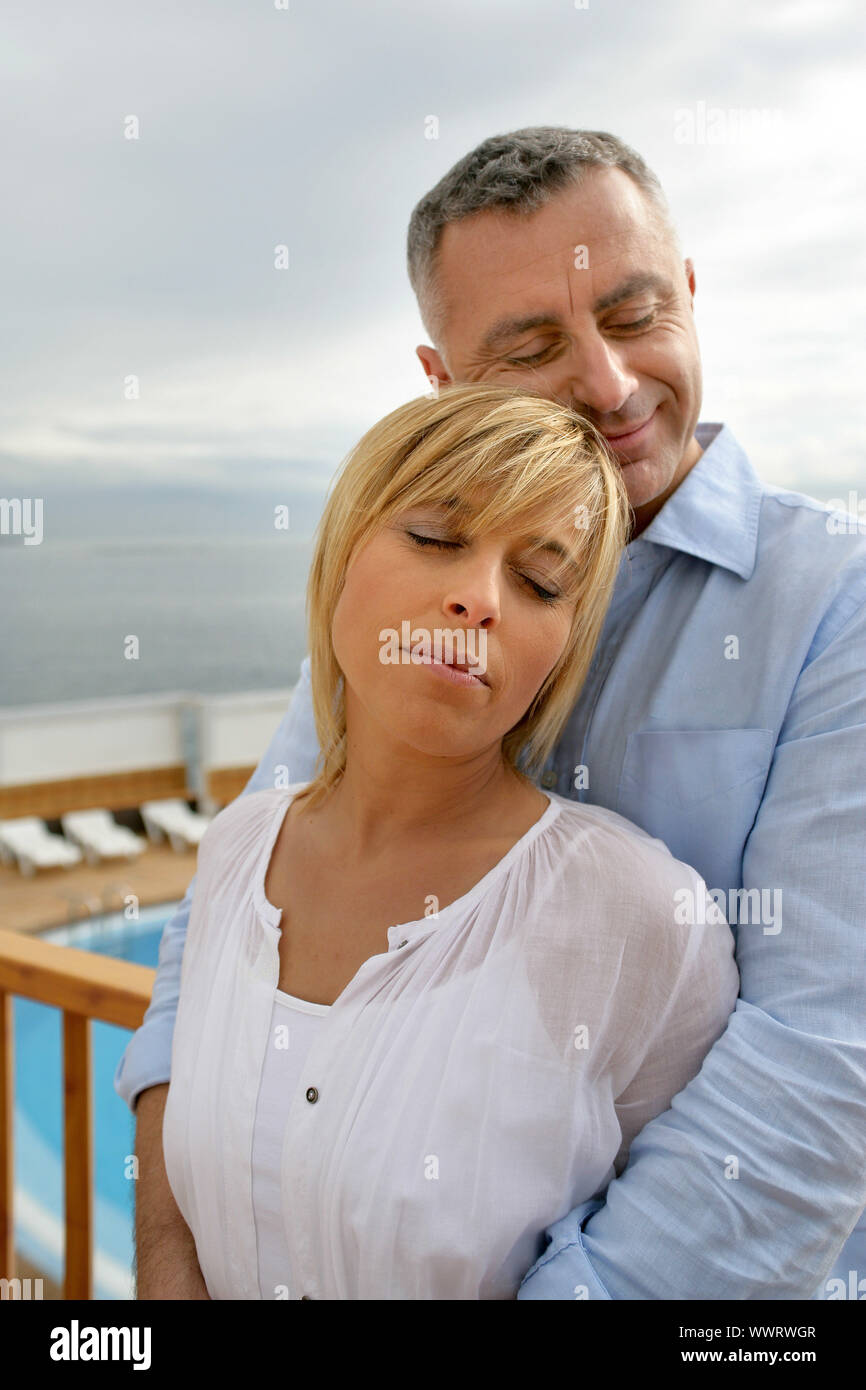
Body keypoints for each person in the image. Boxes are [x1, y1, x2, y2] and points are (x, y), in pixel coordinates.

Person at [119, 128, 866, 1302]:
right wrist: (167, 1266)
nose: (610, 386)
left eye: (632, 315)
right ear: (443, 384)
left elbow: (827, 1063)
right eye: (529, 346)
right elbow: (224, 932)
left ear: (687, 293)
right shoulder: (404, 628)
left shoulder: (837, 602)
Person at [160, 384, 738, 1299]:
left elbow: (704, 1245)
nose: (478, 600)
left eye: (541, 582)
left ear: (559, 656)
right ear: (341, 550)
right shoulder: (235, 851)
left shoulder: (634, 917)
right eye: (436, 538)